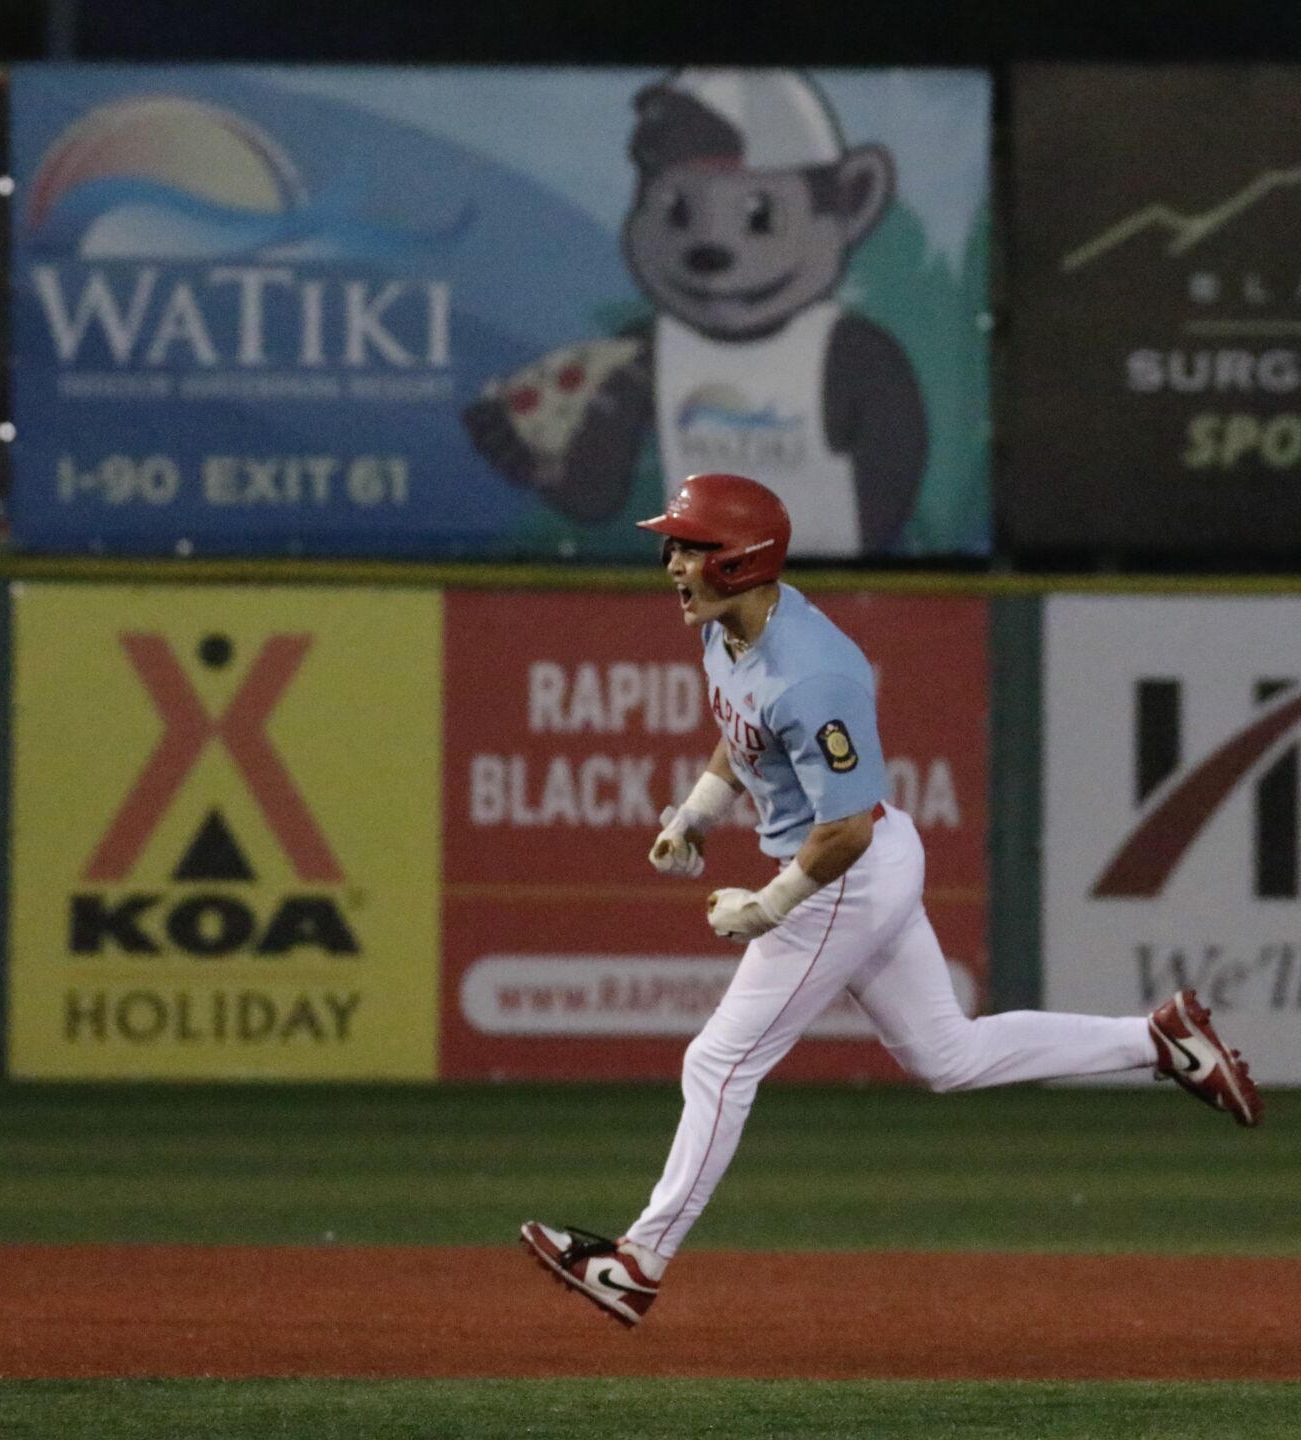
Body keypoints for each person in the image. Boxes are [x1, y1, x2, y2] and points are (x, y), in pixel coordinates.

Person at [519, 471, 1264, 1329]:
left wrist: (765, 909)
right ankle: (1159, 1041)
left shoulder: (816, 674)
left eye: (691, 548)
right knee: (946, 1056)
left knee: (718, 1063)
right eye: (674, 545)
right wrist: (696, 813)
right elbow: (740, 732)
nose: (672, 563)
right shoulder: (730, 631)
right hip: (864, 863)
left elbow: (843, 836)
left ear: (740, 562)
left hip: (846, 876)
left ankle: (637, 1263)